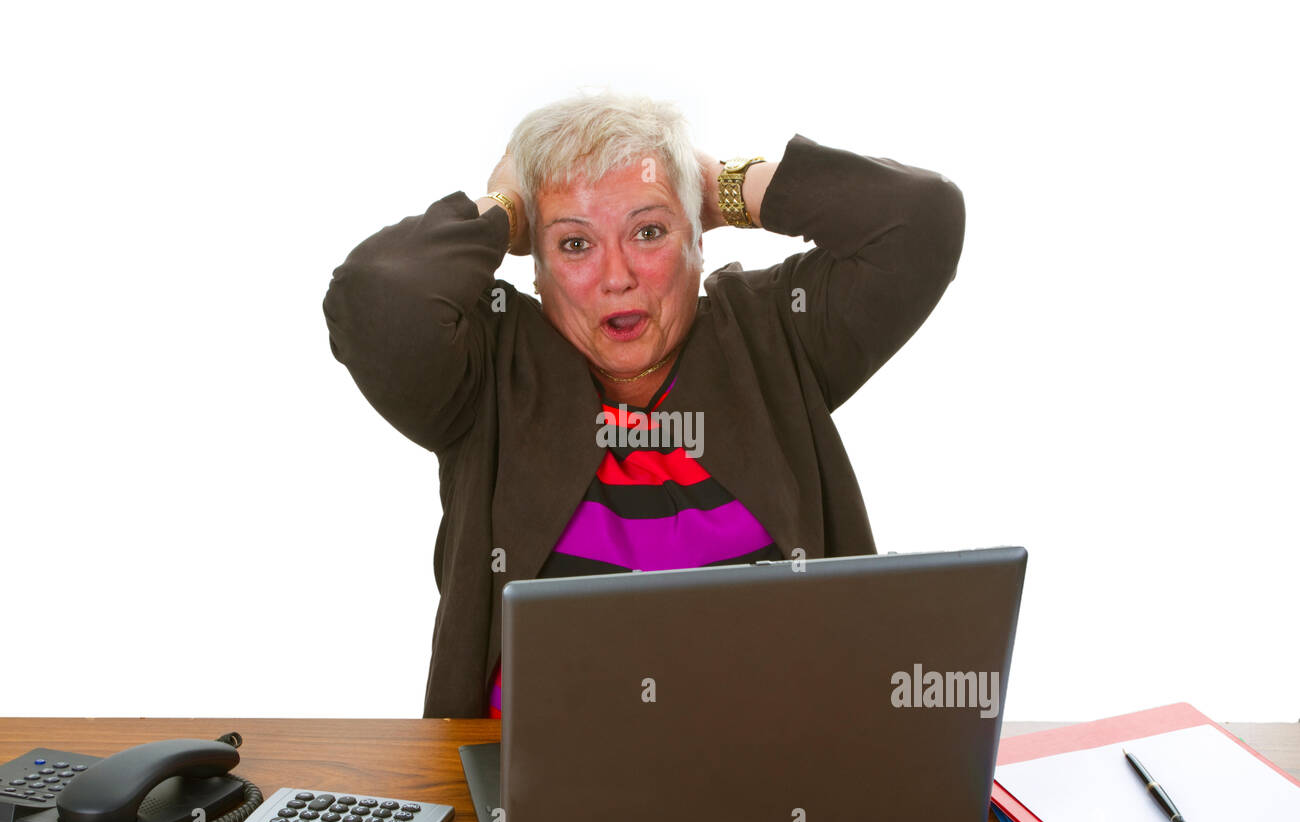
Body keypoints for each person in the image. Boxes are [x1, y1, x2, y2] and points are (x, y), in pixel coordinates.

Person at [322, 90, 965, 718]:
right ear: (535, 265)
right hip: (532, 792)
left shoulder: (778, 336)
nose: (616, 275)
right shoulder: (488, 370)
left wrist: (714, 183)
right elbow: (376, 297)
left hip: (782, 782)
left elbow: (920, 217)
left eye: (649, 231)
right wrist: (508, 207)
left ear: (699, 238)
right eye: (574, 243)